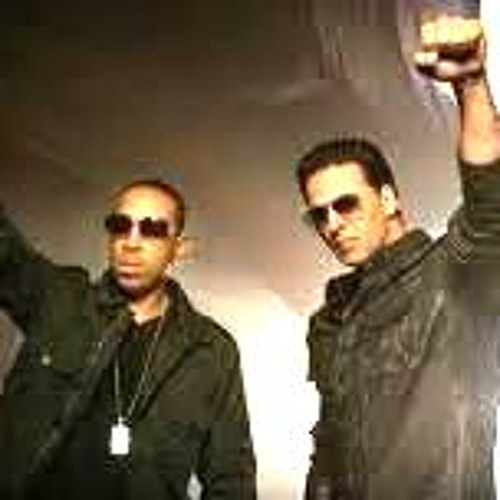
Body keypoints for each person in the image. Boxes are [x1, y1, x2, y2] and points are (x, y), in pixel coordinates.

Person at [297, 15, 500, 500]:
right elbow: (329, 449)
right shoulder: (328, 321)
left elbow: (489, 207)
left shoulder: (451, 274)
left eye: (346, 204)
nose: (332, 224)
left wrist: (471, 86)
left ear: (388, 199)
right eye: (319, 215)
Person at [0, 178, 257, 499]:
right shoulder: (59, 299)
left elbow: (231, 479)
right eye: (120, 225)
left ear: (179, 248)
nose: (131, 242)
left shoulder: (211, 350)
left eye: (152, 230)